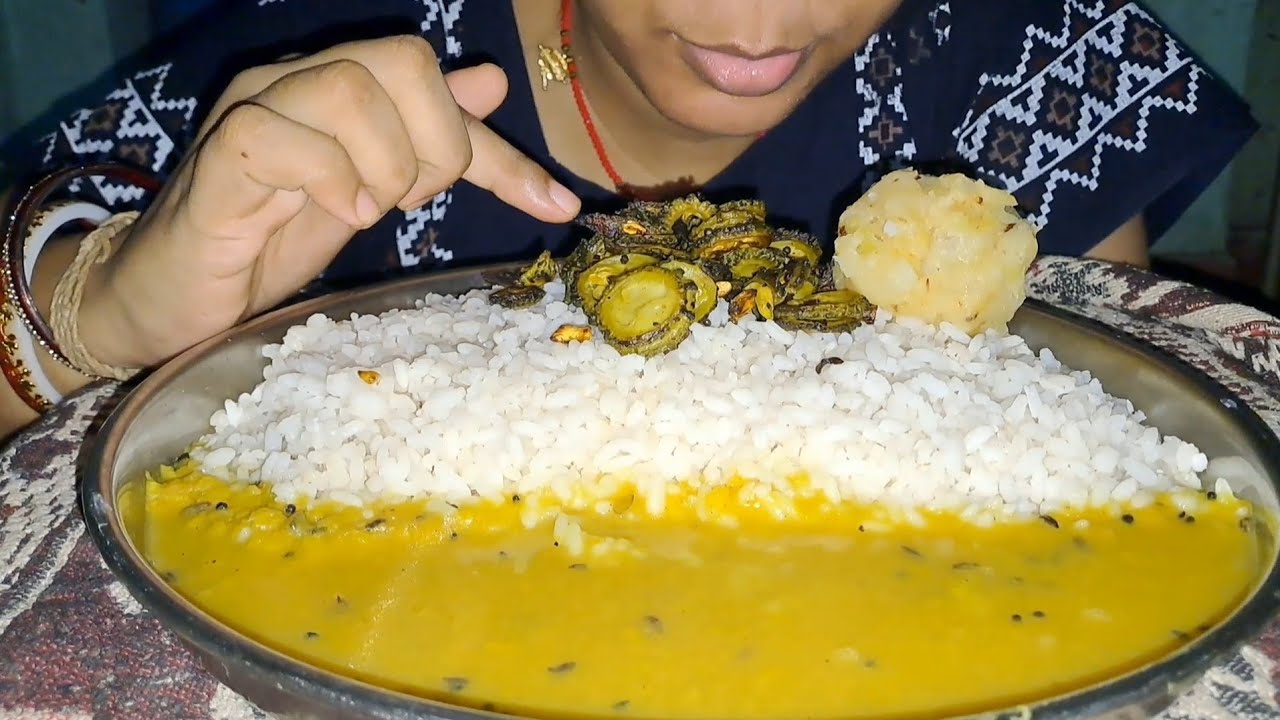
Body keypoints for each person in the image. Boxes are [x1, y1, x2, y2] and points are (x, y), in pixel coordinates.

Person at [0, 0, 1258, 439]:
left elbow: (1088, 420)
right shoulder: (337, 44)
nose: (757, 28)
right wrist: (101, 310)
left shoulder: (1031, 56)